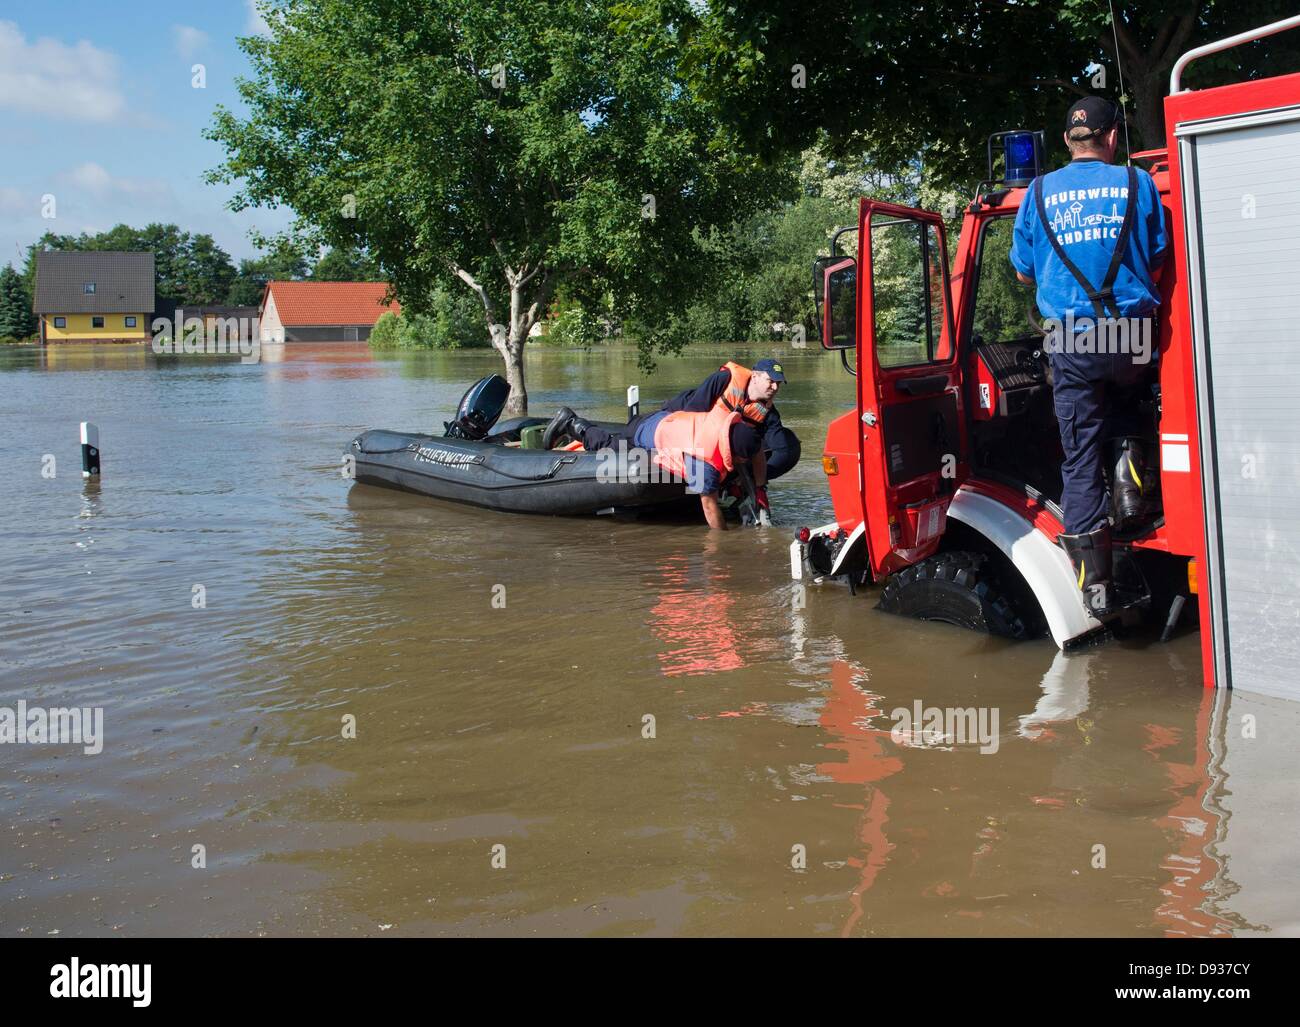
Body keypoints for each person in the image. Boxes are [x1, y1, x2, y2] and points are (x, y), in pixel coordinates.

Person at [1010, 96, 1168, 615]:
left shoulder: (1036, 192)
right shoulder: (1138, 183)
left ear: (1067, 142)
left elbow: (1023, 272)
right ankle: (1129, 492)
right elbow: (1160, 254)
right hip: (1132, 334)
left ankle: (1095, 589)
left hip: (1073, 340)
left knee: (1078, 459)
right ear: (1114, 137)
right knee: (1132, 394)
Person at [539, 404, 761, 530]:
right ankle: (574, 424)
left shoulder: (727, 424)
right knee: (611, 447)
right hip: (646, 431)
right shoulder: (704, 463)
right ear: (734, 452)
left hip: (665, 418)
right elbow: (709, 507)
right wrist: (723, 539)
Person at [661, 358, 800, 520]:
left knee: (788, 444)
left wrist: (758, 484)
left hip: (726, 443)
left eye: (779, 383)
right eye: (771, 381)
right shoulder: (725, 379)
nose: (775, 387)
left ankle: (734, 485)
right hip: (683, 416)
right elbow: (693, 415)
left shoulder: (768, 412)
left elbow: (782, 450)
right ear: (755, 376)